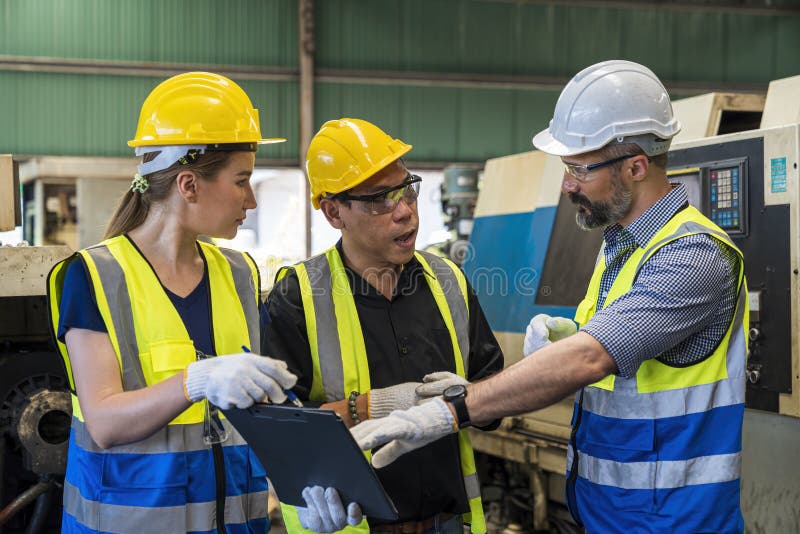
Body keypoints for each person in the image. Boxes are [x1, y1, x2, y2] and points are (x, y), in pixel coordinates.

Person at [351, 60, 748, 534]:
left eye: (579, 169)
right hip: (615, 514)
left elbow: (589, 359)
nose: (567, 185)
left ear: (636, 166)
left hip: (676, 521)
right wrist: (564, 340)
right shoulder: (620, 245)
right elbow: (605, 359)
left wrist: (456, 408)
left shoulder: (692, 255)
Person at [46, 71, 302, 533]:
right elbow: (104, 421)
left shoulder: (239, 274)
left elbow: (256, 416)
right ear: (189, 185)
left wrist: (312, 485)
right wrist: (197, 380)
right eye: (241, 181)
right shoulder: (96, 276)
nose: (251, 200)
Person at [264, 118, 505, 533]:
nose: (405, 211)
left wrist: (473, 399)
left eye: (407, 189)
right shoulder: (298, 297)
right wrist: (369, 408)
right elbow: (279, 433)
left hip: (448, 523)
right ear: (333, 211)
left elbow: (493, 398)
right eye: (380, 199)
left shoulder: (449, 282)